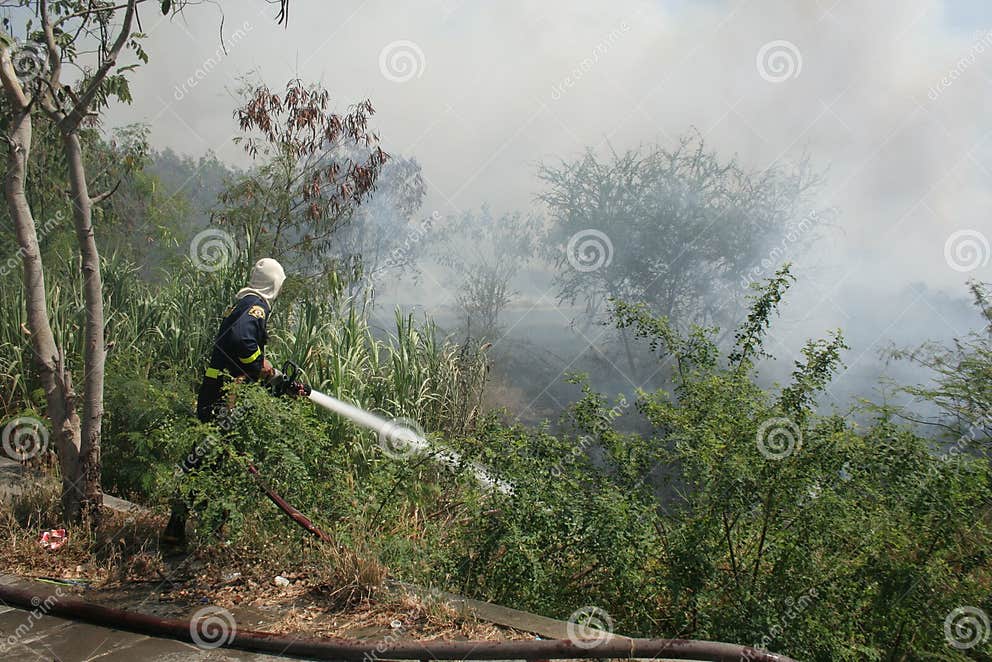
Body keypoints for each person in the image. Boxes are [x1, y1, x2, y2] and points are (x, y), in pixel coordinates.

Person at [162, 258, 286, 547]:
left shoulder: (241, 303)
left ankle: (178, 527)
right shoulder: (257, 306)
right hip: (223, 396)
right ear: (274, 284)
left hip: (213, 388)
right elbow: (242, 340)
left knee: (202, 458)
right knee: (214, 460)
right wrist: (259, 366)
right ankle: (211, 532)